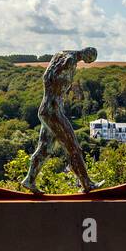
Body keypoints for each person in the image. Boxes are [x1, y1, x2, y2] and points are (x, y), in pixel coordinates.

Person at [22, 47, 100, 193]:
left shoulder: (60, 55)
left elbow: (46, 78)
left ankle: (29, 180)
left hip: (46, 109)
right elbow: (57, 81)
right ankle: (86, 183)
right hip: (53, 111)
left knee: (45, 148)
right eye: (90, 59)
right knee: (73, 148)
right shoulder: (69, 61)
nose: (88, 62)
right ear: (87, 53)